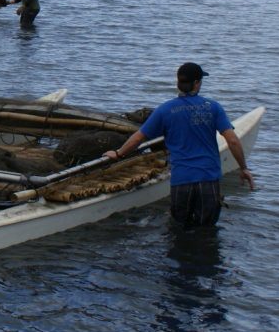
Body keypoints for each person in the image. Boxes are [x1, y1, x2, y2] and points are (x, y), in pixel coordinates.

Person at [104, 62, 254, 228]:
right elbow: (232, 140)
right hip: (208, 180)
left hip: (181, 181)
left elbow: (138, 138)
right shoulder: (213, 107)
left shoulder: (165, 110)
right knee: (206, 231)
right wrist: (243, 168)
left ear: (179, 83)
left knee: (179, 230)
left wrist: (118, 154)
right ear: (197, 83)